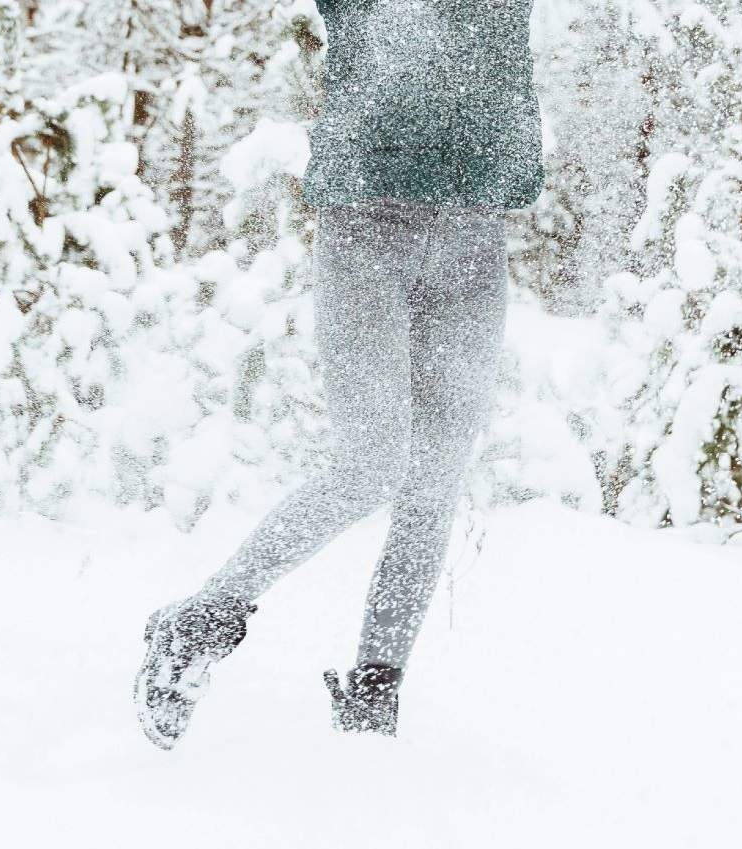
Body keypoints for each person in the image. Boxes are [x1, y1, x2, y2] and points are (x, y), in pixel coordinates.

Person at [132, 0, 543, 749]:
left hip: (477, 239)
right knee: (373, 463)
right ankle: (199, 621)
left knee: (436, 476)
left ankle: (374, 689)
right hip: (367, 229)